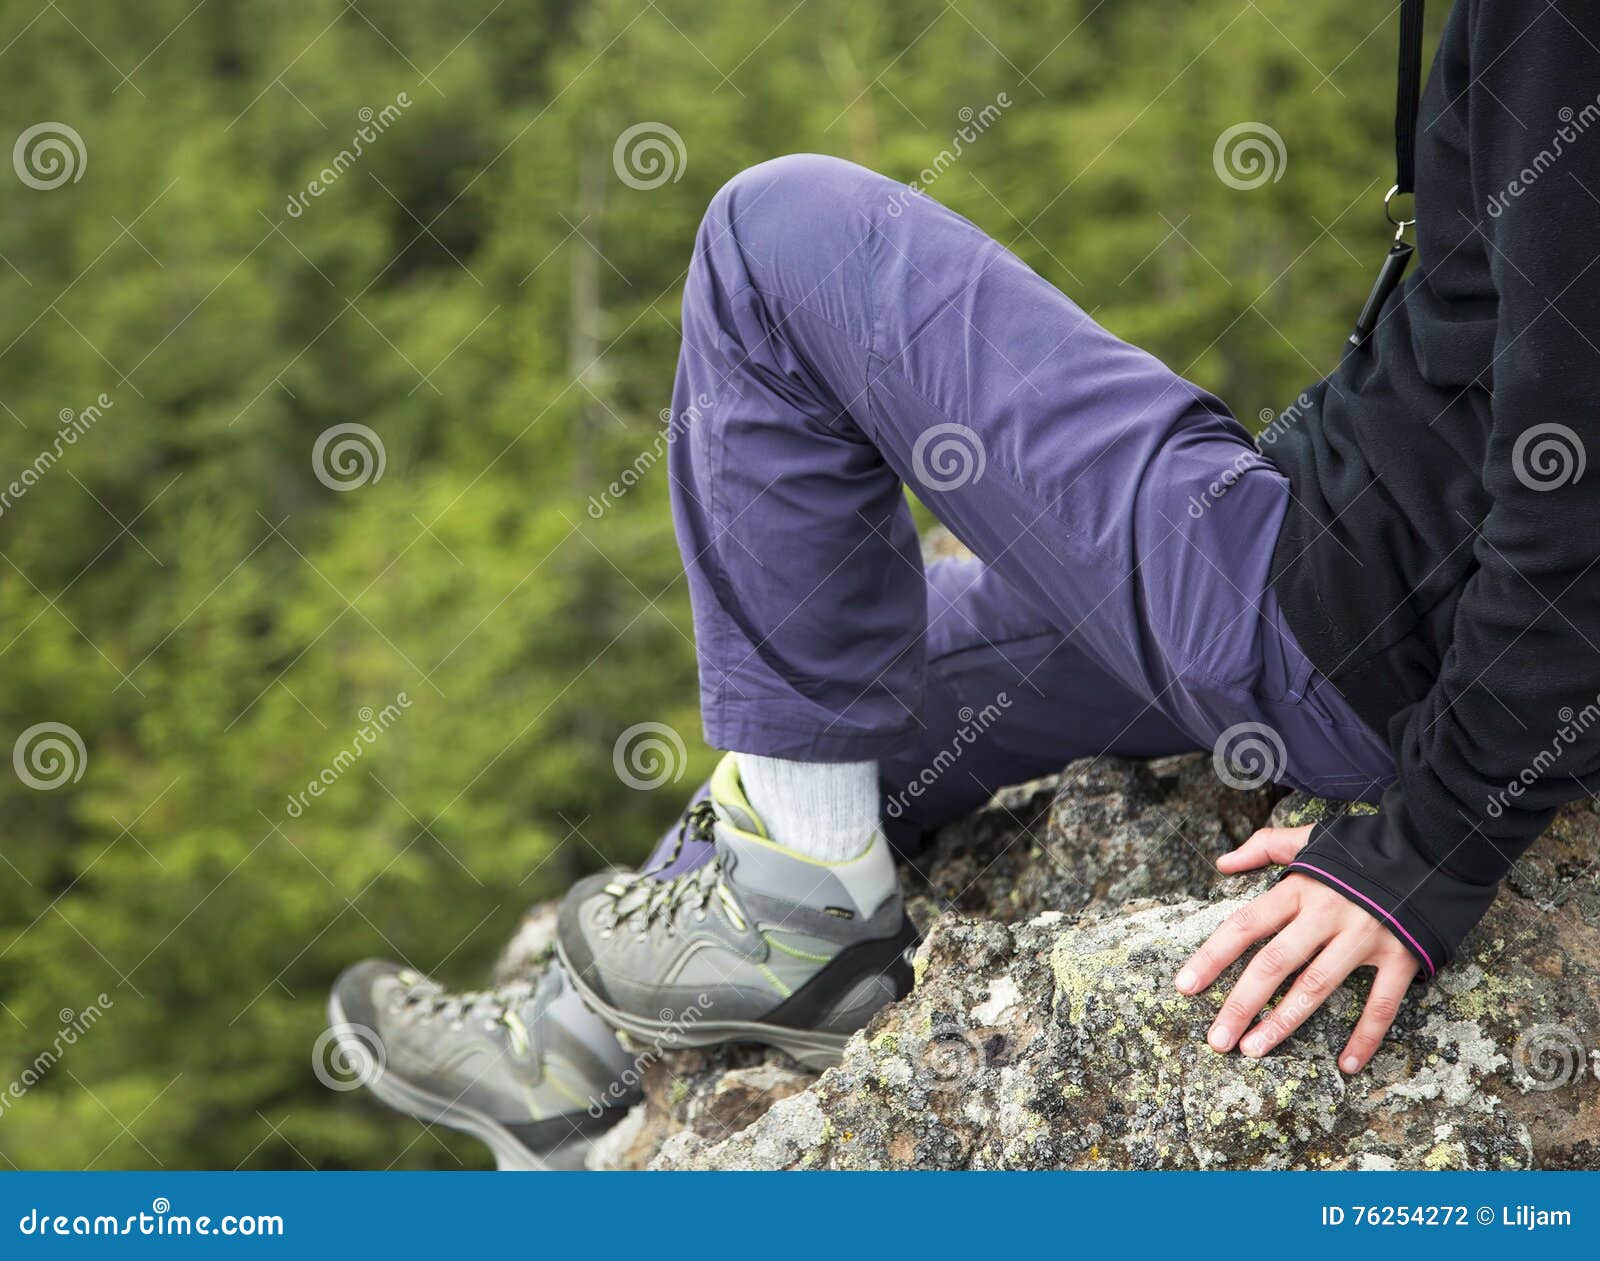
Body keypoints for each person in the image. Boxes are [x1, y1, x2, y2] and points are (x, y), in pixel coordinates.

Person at [329, 0, 1600, 1168]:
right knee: (858, 662)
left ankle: (798, 921)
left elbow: (1577, 487)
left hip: (1345, 617)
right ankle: (578, 1068)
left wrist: (1425, 846)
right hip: (1363, 550)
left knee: (776, 236)